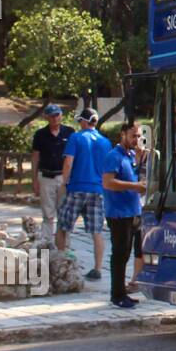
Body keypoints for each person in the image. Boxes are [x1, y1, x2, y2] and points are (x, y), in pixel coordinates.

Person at [57, 109, 112, 280]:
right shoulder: (105, 142)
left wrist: (64, 183)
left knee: (63, 226)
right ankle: (97, 268)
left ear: (83, 121)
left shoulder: (76, 138)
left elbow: (68, 162)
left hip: (77, 187)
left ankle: (60, 262)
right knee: (96, 231)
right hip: (98, 189)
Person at [101, 121, 147, 309]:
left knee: (128, 253)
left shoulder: (131, 156)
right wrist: (134, 186)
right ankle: (117, 294)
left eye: (138, 136)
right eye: (132, 136)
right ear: (122, 135)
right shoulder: (114, 156)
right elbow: (108, 182)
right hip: (118, 213)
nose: (136, 139)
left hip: (132, 211)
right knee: (119, 255)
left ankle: (122, 292)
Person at [30, 104, 73, 242]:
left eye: (57, 115)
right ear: (46, 117)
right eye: (52, 116)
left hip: (63, 177)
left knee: (64, 213)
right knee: (48, 213)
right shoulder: (40, 134)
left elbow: (73, 156)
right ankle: (46, 242)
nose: (55, 118)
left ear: (61, 115)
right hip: (46, 176)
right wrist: (34, 179)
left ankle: (64, 245)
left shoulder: (69, 132)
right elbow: (36, 156)